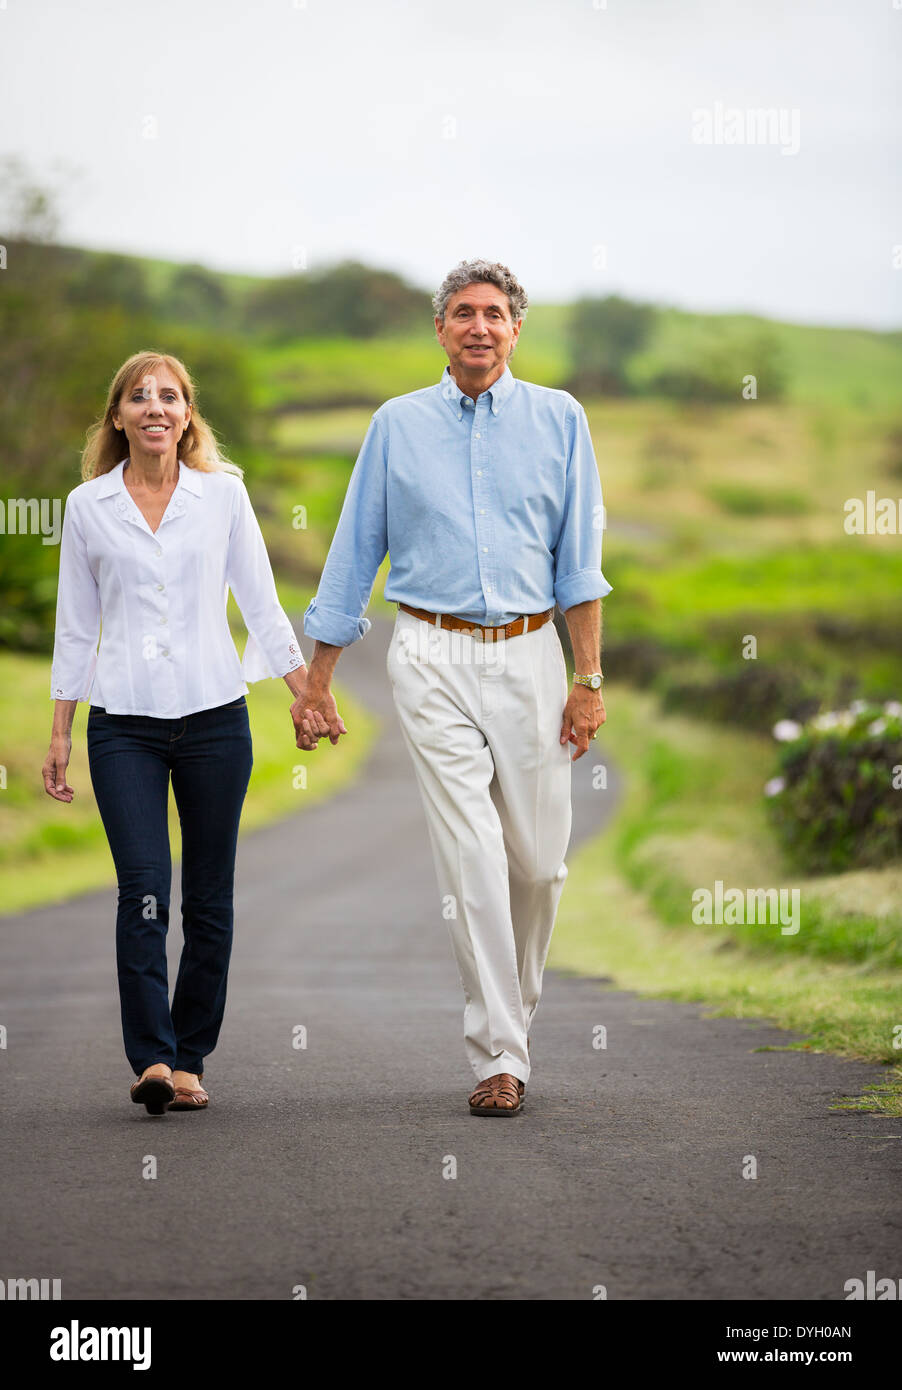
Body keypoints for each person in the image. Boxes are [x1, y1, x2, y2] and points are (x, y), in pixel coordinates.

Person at [295, 259, 611, 1116]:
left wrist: (587, 678)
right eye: (463, 313)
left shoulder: (560, 420)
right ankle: (498, 1057)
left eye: (495, 314)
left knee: (540, 867)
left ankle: (514, 1013)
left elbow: (579, 567)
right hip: (429, 652)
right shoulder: (396, 425)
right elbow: (354, 553)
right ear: (440, 330)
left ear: (516, 330)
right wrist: (318, 680)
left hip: (530, 654)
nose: (479, 326)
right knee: (471, 853)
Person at [43, 351, 312, 1114]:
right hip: (121, 723)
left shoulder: (223, 498)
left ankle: (191, 1056)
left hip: (214, 720)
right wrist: (59, 732)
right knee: (143, 891)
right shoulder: (88, 505)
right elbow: (75, 628)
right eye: (138, 397)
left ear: (187, 415)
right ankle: (151, 1058)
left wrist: (306, 694)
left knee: (210, 898)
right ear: (118, 416)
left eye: (169, 396)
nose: (154, 407)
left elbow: (261, 606)